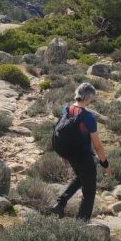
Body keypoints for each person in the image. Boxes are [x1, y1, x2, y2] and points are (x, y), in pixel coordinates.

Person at [50, 82, 112, 221]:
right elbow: (97, 146)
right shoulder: (88, 118)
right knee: (89, 192)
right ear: (88, 98)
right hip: (83, 157)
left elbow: (62, 131)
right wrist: (105, 164)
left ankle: (60, 203)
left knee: (80, 177)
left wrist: (64, 154)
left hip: (70, 154)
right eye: (92, 98)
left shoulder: (66, 109)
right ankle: (81, 224)